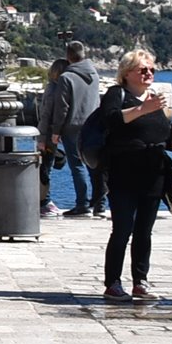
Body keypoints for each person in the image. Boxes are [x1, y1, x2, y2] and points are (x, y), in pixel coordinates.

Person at [88, 48, 172, 304]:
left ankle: (140, 281)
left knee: (144, 230)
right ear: (127, 74)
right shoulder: (118, 94)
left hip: (153, 170)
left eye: (151, 69)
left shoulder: (154, 98)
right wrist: (143, 109)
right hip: (124, 170)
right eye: (142, 69)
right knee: (122, 228)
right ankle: (113, 282)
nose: (148, 73)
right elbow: (111, 120)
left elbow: (162, 131)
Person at [40, 43, 103, 218]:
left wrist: (56, 131)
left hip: (72, 127)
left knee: (77, 166)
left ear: (68, 56)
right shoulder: (94, 74)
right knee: (94, 166)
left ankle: (82, 205)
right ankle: (100, 205)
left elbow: (62, 108)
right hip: (93, 125)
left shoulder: (66, 77)